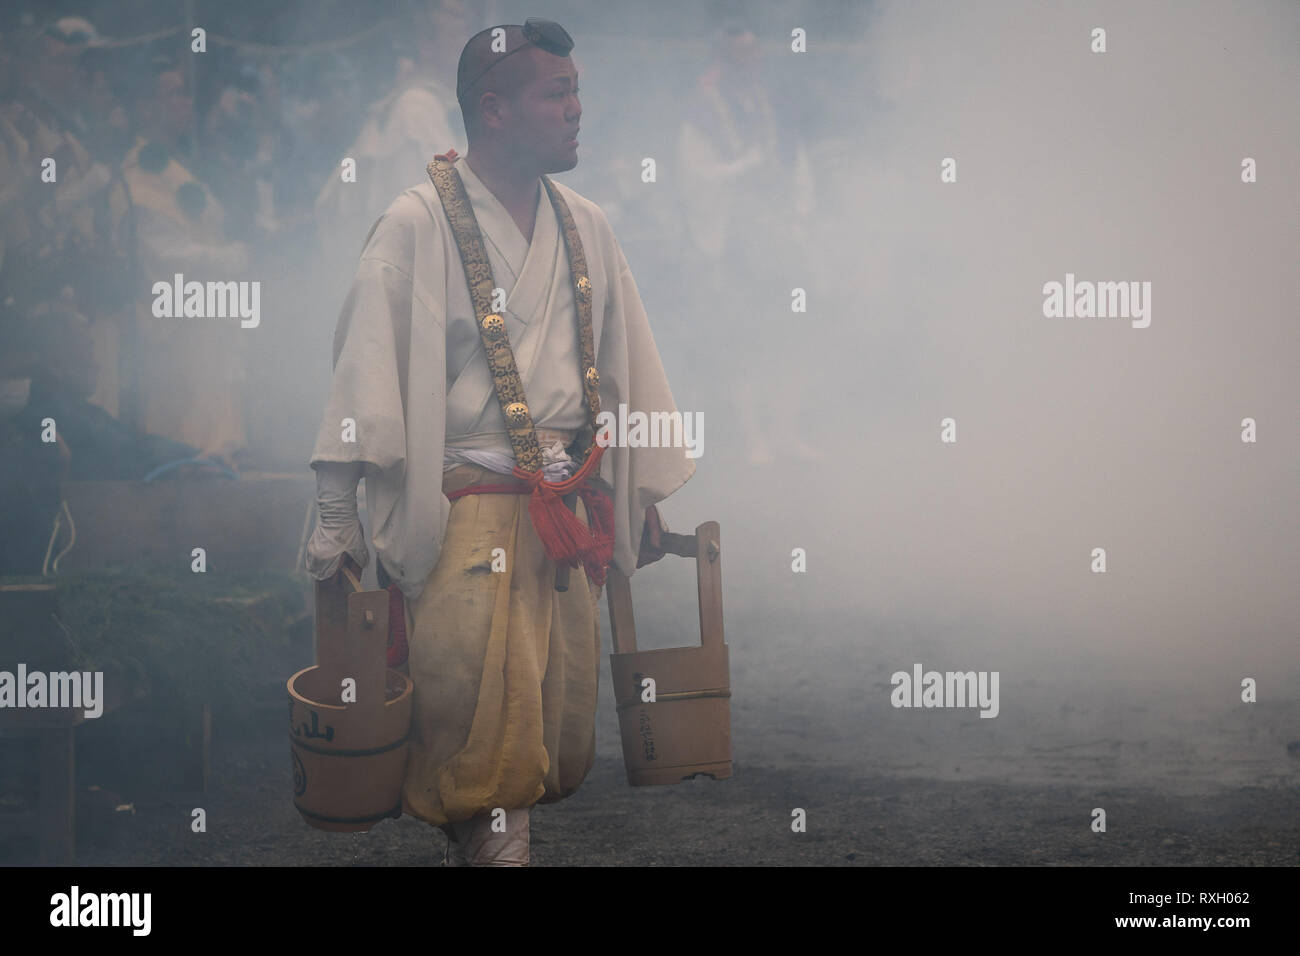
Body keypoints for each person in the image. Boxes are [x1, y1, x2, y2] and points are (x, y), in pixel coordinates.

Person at [304, 20, 696, 866]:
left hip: (567, 517)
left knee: (543, 726)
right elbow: (363, 376)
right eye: (557, 94)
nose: (577, 110)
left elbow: (628, 367)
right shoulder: (413, 224)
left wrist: (639, 497)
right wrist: (336, 516)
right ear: (494, 109)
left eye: (577, 90)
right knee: (478, 735)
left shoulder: (586, 224)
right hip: (464, 517)